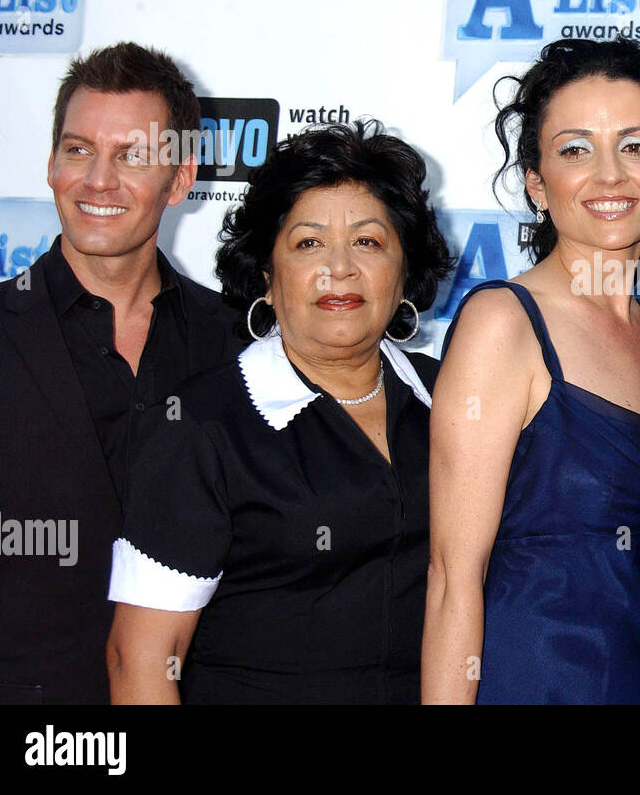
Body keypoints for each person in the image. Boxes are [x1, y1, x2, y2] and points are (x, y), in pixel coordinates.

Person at [106, 120, 453, 703]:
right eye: (308, 243)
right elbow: (139, 661)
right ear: (267, 276)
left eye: (368, 242)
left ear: (405, 274)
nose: (338, 268)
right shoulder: (201, 424)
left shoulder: (451, 399)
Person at [422, 38, 640, 704]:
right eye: (575, 149)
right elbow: (452, 578)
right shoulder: (503, 324)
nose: (609, 176)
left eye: (637, 146)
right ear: (536, 181)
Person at [0, 42, 241, 704]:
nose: (97, 179)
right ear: (49, 164)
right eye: (77, 149)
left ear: (181, 179)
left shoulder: (239, 344)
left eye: (131, 156)